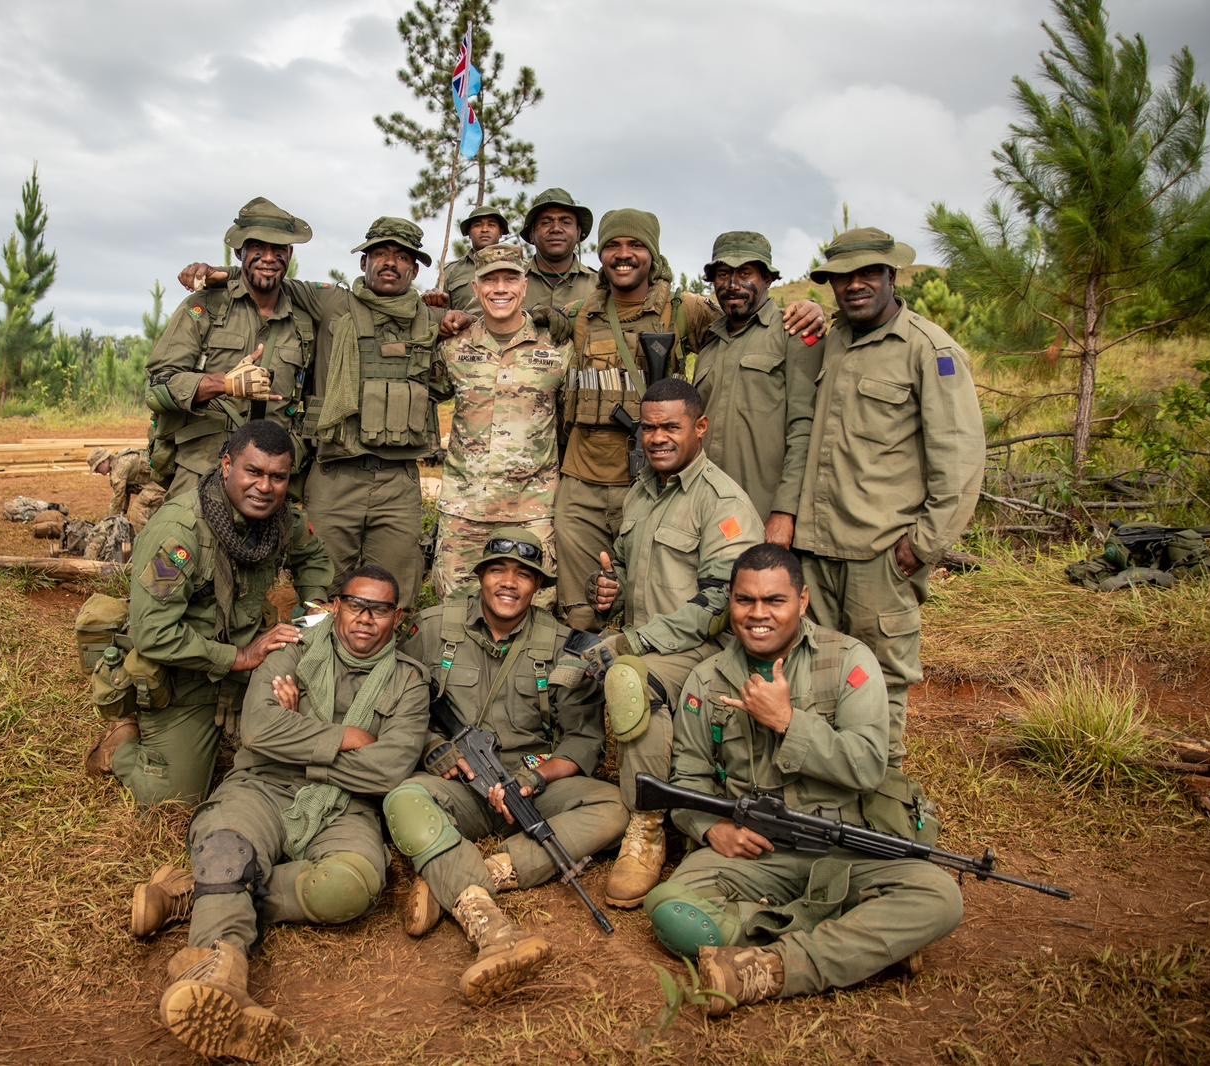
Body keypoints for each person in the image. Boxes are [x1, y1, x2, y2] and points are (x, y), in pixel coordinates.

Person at [642, 544, 963, 1012]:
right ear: (730, 601)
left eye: (775, 600)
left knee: (939, 897)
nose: (758, 614)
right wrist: (711, 828)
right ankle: (861, 940)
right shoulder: (706, 680)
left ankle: (775, 967)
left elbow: (869, 764)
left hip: (846, 847)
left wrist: (788, 722)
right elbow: (689, 775)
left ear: (803, 601)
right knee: (671, 908)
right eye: (745, 600)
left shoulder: (849, 661)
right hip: (759, 855)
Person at [158, 564, 429, 1062]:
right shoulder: (291, 649)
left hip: (345, 805)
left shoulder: (409, 682)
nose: (365, 618)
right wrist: (345, 738)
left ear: (397, 617)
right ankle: (221, 975)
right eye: (356, 605)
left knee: (350, 886)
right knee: (228, 845)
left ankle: (201, 892)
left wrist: (298, 731)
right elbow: (259, 731)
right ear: (336, 606)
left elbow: (389, 770)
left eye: (380, 609)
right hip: (263, 785)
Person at [175, 218, 473, 608]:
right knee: (323, 587)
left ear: (415, 270)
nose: (390, 263)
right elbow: (271, 278)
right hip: (335, 475)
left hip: (398, 482)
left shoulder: (431, 320)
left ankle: (389, 649)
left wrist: (461, 317)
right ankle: (319, 647)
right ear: (364, 262)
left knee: (396, 591)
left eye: (402, 257)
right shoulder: (332, 302)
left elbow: (487, 322)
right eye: (381, 254)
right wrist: (214, 272)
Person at [550, 211, 825, 631]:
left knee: (675, 602)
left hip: (659, 484)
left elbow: (757, 325)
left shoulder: (689, 312)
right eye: (613, 246)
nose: (624, 254)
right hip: (585, 481)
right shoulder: (578, 315)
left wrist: (812, 309)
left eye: (636, 245)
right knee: (589, 606)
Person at [385, 529, 626, 1002]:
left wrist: (535, 778)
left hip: (527, 787)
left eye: (524, 575)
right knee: (403, 797)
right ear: (480, 576)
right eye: (498, 570)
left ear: (538, 586)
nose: (509, 583)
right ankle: (486, 921)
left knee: (614, 806)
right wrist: (431, 745)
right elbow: (396, 701)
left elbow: (582, 741)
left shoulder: (563, 645)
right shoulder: (433, 629)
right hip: (459, 787)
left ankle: (481, 873)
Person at [794, 228, 985, 766]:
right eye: (842, 277)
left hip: (880, 554)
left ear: (891, 276)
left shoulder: (929, 350)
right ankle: (826, 780)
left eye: (867, 274)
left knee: (880, 678)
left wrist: (920, 547)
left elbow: (960, 463)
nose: (854, 285)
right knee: (818, 673)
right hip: (817, 549)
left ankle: (882, 785)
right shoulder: (831, 340)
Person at [91, 419, 332, 810]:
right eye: (253, 472)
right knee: (172, 801)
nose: (265, 487)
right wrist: (239, 657)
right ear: (227, 465)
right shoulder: (180, 533)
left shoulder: (282, 519)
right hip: (187, 677)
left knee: (315, 733)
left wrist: (314, 608)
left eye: (278, 477)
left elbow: (313, 558)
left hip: (251, 662)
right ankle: (121, 744)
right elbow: (154, 633)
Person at [583, 378, 761, 907]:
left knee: (629, 678)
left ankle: (647, 826)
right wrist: (609, 590)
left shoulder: (722, 502)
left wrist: (633, 642)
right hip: (652, 644)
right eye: (648, 427)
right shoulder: (641, 491)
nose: (657, 438)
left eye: (670, 427)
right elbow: (624, 570)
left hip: (707, 653)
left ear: (699, 428)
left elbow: (718, 607)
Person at [145, 197, 316, 496]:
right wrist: (224, 384)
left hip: (271, 479)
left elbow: (313, 401)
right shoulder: (204, 308)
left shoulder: (303, 322)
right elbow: (157, 389)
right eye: (258, 247)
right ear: (240, 252)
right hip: (203, 469)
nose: (269, 258)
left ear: (289, 254)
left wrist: (296, 451)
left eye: (279, 249)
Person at [431, 243, 569, 605]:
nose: (500, 289)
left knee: (534, 610)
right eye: (490, 280)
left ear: (525, 285)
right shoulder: (454, 346)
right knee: (456, 612)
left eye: (510, 279)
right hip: (464, 511)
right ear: (475, 288)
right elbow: (423, 391)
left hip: (532, 511)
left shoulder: (557, 346)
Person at [694, 232, 822, 549]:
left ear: (767, 278)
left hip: (762, 512)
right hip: (707, 511)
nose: (732, 284)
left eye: (745, 273)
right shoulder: (709, 342)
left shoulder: (793, 332)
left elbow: (804, 429)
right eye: (723, 274)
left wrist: (785, 511)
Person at [517, 187, 599, 314]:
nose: (556, 229)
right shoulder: (510, 282)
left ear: (578, 233)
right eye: (546, 222)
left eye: (566, 222)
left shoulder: (600, 286)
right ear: (531, 234)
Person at [430, 203, 509, 313]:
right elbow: (439, 313)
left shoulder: (519, 266)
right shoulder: (451, 271)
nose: (484, 229)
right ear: (469, 233)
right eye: (477, 225)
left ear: (500, 232)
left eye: (491, 225)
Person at [87, 446, 163, 529]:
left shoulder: (119, 469)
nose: (96, 472)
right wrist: (122, 512)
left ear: (103, 461)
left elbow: (118, 498)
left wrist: (108, 522)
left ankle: (143, 537)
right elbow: (124, 494)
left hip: (157, 486)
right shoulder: (119, 460)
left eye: (97, 468)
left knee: (136, 514)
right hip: (158, 484)